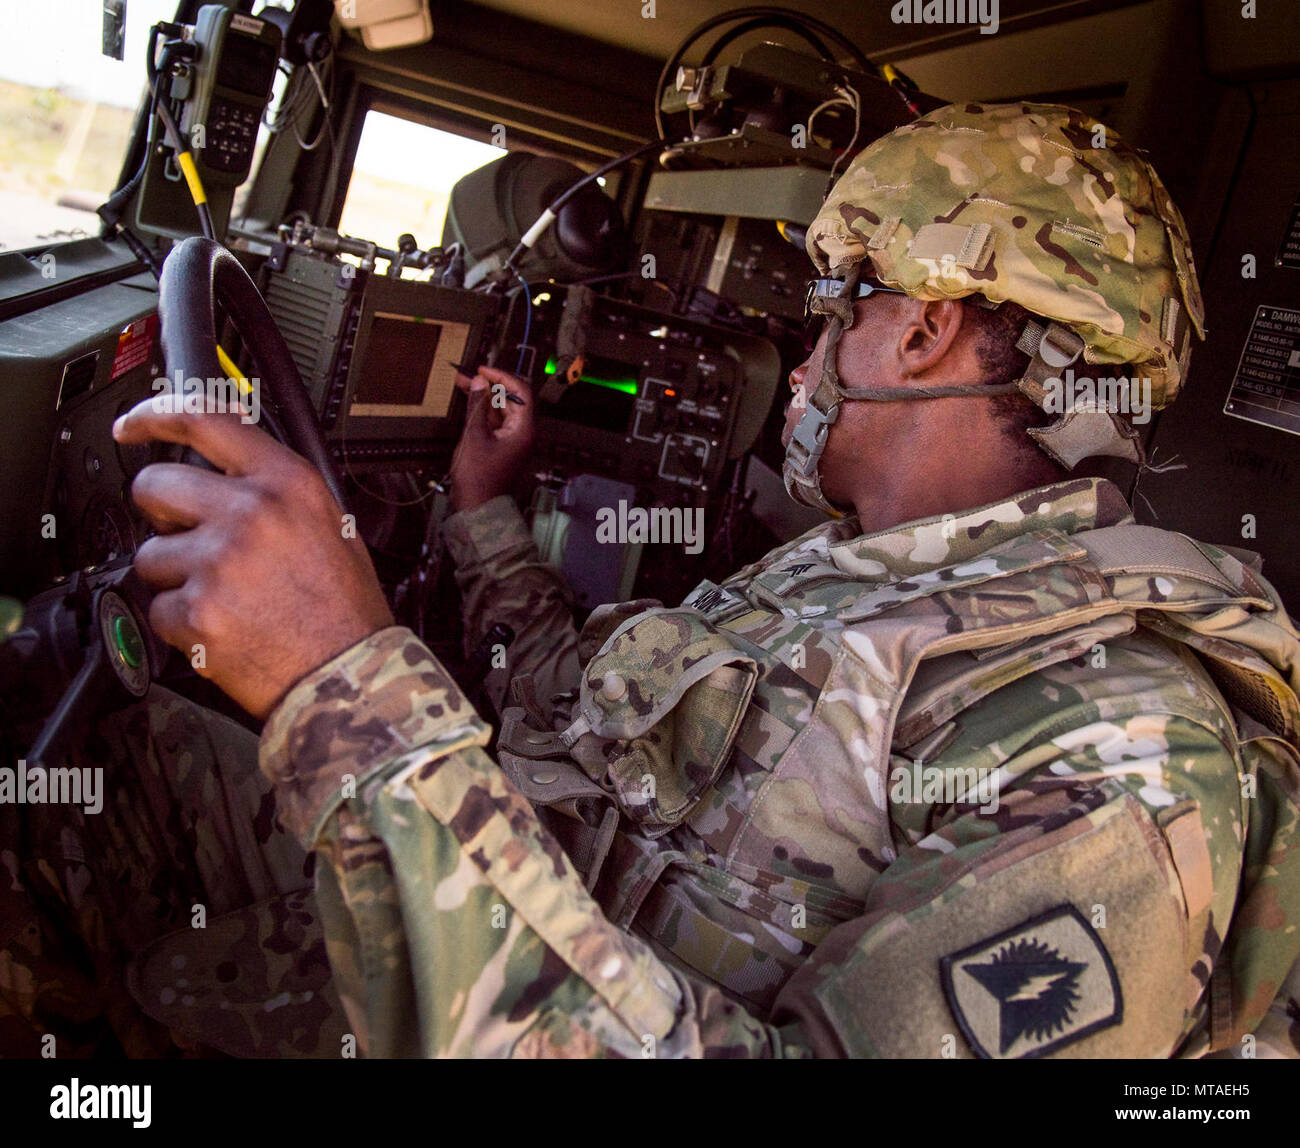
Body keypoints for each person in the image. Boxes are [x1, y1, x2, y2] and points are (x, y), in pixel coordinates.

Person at [5, 102, 1299, 1058]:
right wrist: (483, 515)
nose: (805, 357)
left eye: (832, 306)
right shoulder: (854, 575)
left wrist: (352, 693)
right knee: (101, 769)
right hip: (478, 890)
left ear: (924, 325)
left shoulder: (1122, 749)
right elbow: (594, 716)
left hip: (485, 983)